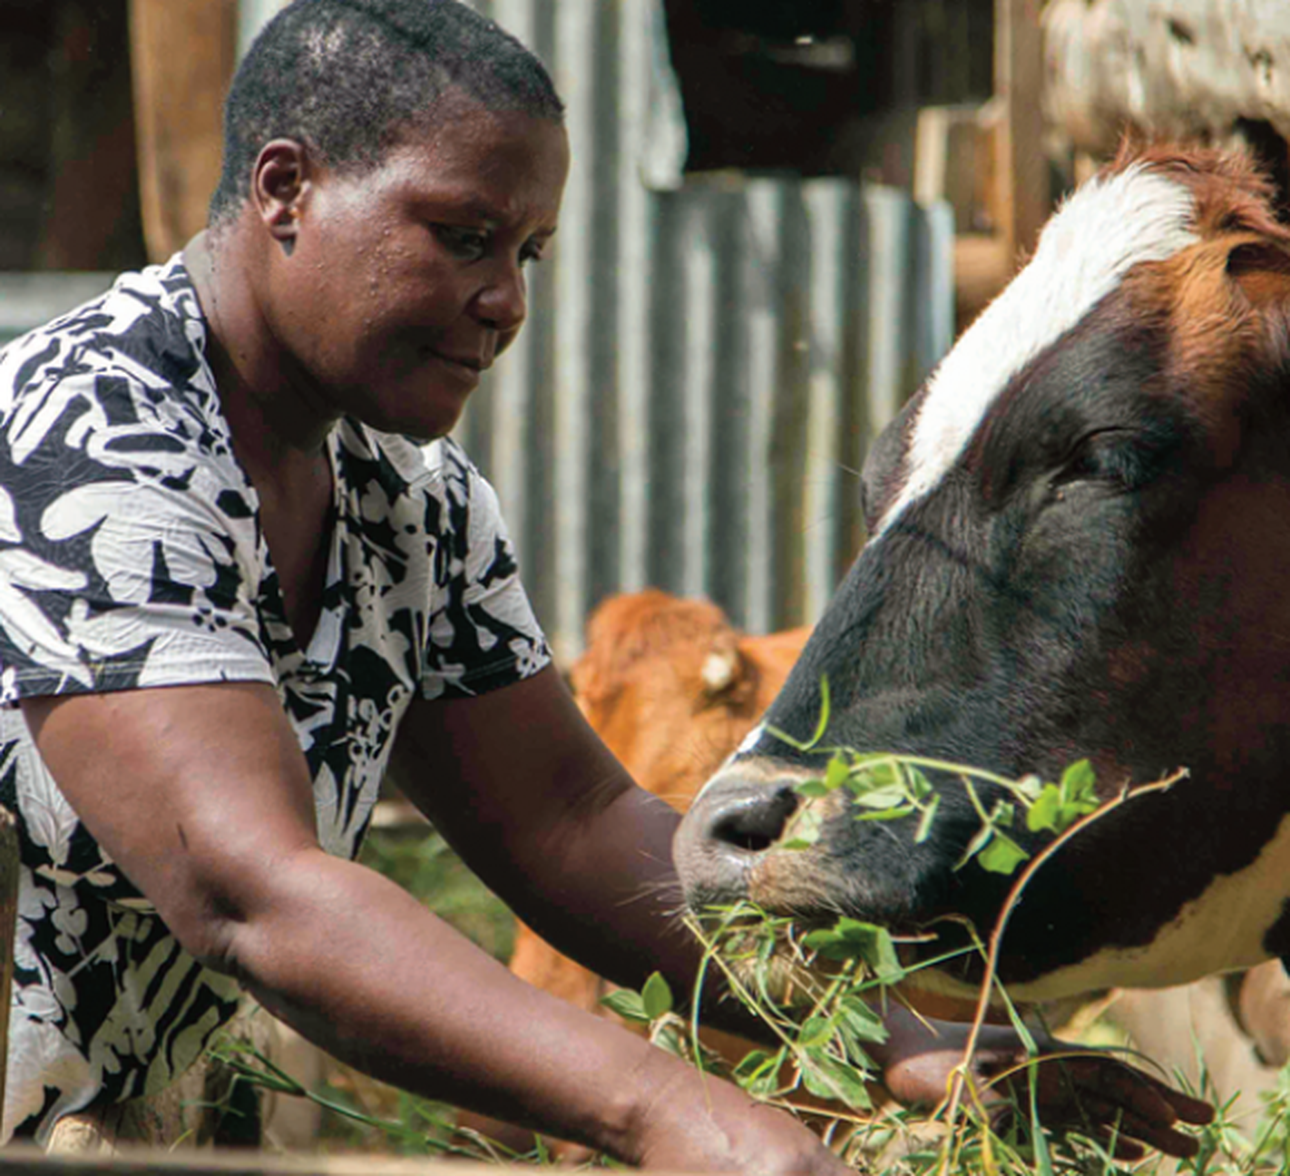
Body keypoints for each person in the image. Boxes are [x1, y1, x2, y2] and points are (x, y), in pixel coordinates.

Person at [0, 0, 1211, 1167]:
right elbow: (247, 890)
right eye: (464, 237)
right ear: (285, 191)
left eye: (528, 253)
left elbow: (569, 824)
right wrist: (661, 1110)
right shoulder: (92, 432)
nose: (507, 303)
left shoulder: (405, 495)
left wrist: (903, 1039)